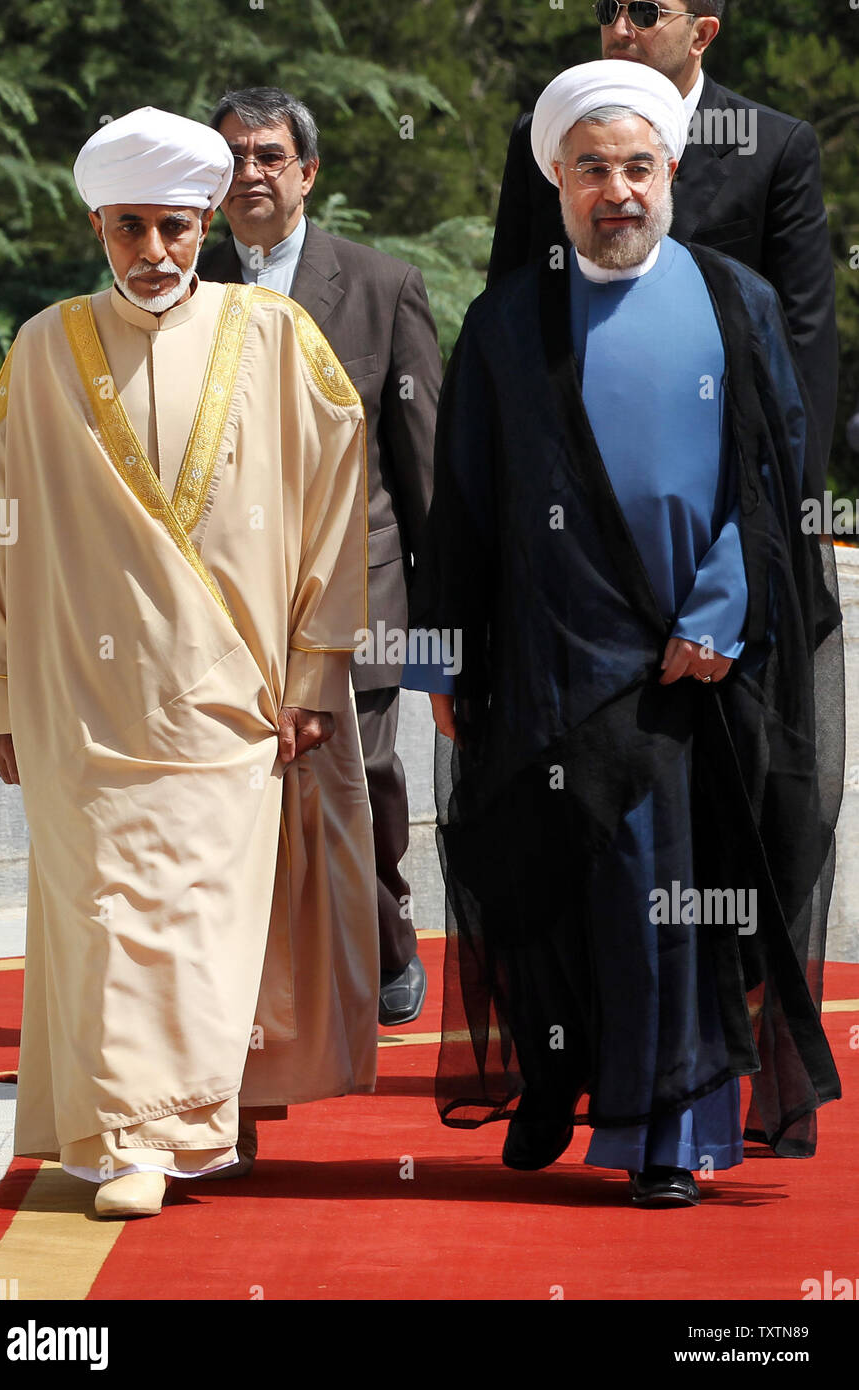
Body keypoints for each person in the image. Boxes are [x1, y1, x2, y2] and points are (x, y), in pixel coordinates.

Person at [407, 60, 843, 1207]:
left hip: (695, 666)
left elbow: (774, 483)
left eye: (637, 167)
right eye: (590, 168)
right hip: (552, 659)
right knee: (545, 883)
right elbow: (461, 501)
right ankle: (563, 1079)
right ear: (555, 180)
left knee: (667, 898)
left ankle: (667, 1139)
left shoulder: (734, 300)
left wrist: (717, 613)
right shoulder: (503, 321)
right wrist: (440, 657)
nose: (617, 190)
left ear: (671, 172)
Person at [0, 106, 376, 1218]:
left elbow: (338, 499)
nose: (153, 254)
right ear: (97, 223)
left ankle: (182, 1122)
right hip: (77, 704)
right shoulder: (44, 346)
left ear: (207, 223)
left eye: (176, 229)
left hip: (225, 702)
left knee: (198, 922)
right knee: (102, 917)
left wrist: (311, 671)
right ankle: (125, 1140)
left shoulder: (274, 334)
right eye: (130, 229)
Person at [198, 87, 442, 1027]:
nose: (251, 173)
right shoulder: (185, 282)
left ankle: (387, 944)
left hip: (356, 591)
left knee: (364, 781)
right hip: (223, 604)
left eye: (269, 156)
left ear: (308, 173)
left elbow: (421, 469)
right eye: (233, 159)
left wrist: (444, 620)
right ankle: (249, 973)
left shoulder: (383, 287)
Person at [488, 0, 839, 478]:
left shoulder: (775, 147)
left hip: (718, 466)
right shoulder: (545, 135)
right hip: (562, 459)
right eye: (607, 8)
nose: (619, 29)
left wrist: (798, 500)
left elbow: (805, 340)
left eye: (645, 13)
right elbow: (507, 303)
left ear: (702, 34)